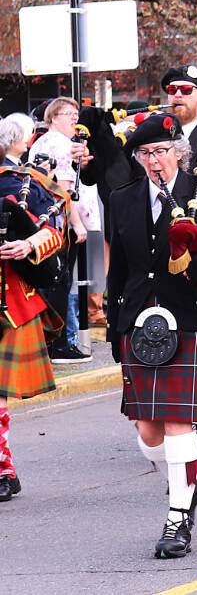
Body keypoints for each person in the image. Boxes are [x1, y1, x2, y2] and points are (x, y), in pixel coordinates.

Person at [107, 112, 197, 558]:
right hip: (139, 322)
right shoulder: (122, 198)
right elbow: (119, 269)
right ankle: (189, 480)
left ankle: (177, 521)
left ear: (179, 153)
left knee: (175, 422)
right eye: (145, 153)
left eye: (162, 152)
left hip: (192, 318)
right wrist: (116, 327)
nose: (154, 160)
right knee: (147, 432)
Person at [0, 114, 70, 503]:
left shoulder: (23, 183)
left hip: (10, 298)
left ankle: (4, 469)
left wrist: (28, 246)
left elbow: (53, 229)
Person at [30, 97, 94, 365]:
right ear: (54, 117)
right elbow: (65, 191)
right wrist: (77, 224)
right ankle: (59, 345)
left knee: (47, 282)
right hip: (59, 224)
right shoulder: (64, 145)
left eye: (76, 113)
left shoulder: (39, 143)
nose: (75, 119)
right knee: (61, 281)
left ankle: (46, 343)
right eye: (69, 113)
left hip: (39, 222)